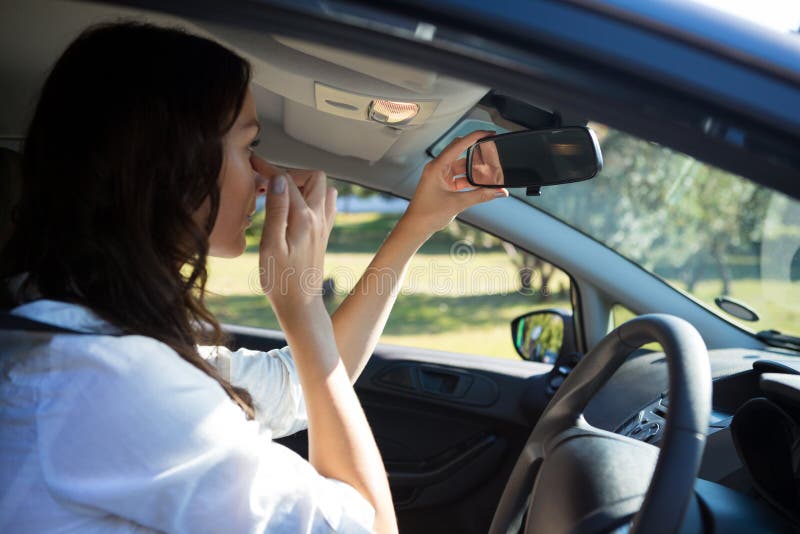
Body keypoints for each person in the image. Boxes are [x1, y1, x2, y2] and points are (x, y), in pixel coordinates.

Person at [0, 22, 508, 533]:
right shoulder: (109, 379)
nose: (266, 177)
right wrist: (303, 307)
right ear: (173, 168)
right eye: (247, 147)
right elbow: (370, 527)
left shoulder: (76, 332)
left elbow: (296, 387)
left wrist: (416, 224)